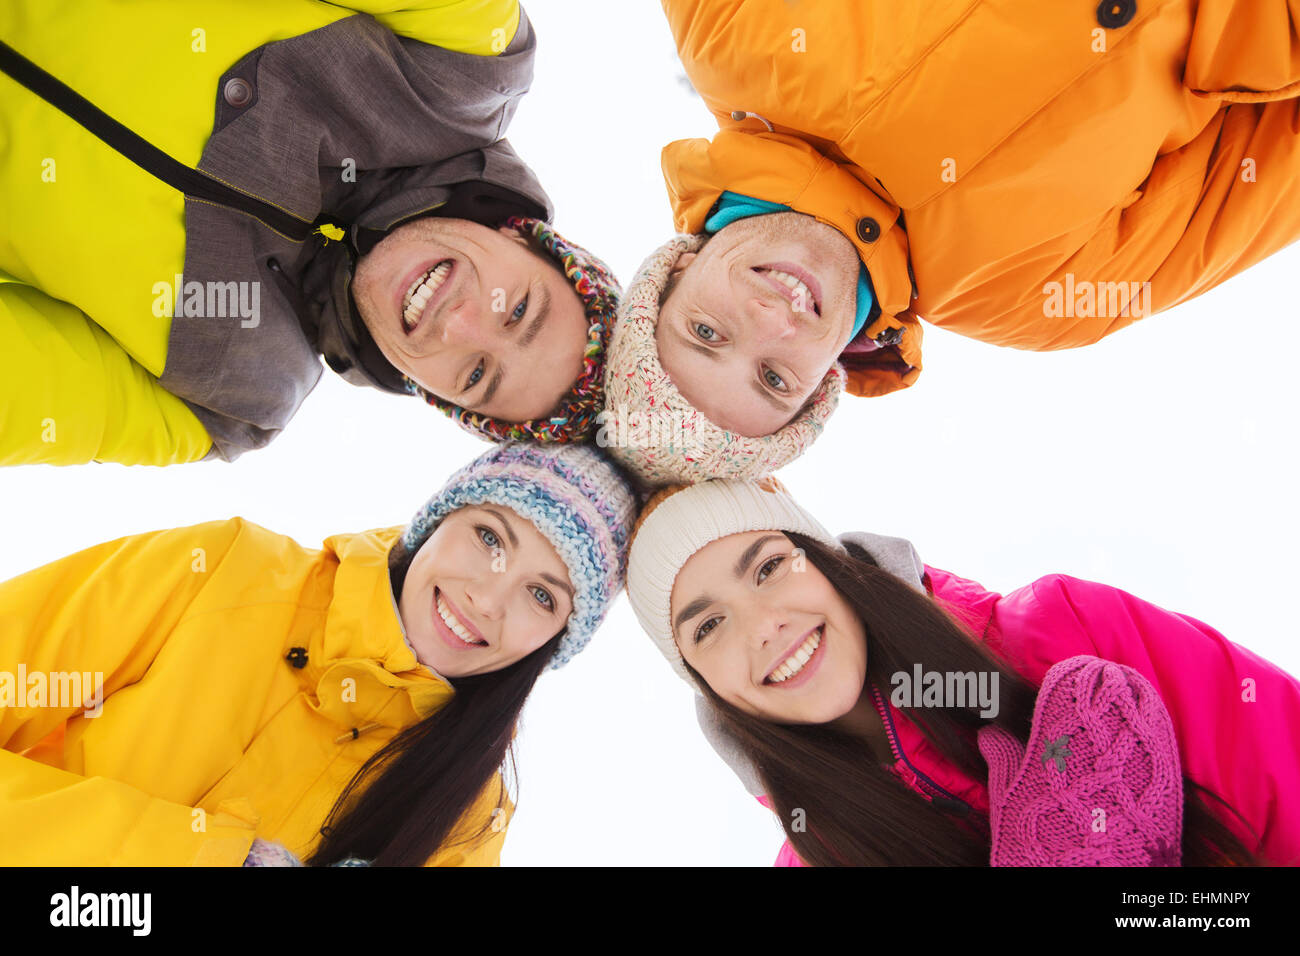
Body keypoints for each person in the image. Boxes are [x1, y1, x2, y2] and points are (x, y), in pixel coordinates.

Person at [602, 0, 1300, 484]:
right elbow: (1276, 166)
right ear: (824, 386)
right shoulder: (1030, 298)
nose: (773, 322)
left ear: (678, 267)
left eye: (706, 330)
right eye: (775, 379)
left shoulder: (727, 34)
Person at [0, 0, 620, 467]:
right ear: (524, 238)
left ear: (436, 397)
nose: (458, 324)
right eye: (516, 309)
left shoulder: (227, 396)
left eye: (477, 376)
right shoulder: (464, 61)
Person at [0, 443, 636, 865]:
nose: (488, 597)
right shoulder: (228, 572)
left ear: (555, 642)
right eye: (489, 536)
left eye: (542, 596)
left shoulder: (469, 815)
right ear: (436, 521)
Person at [624, 478, 1300, 865]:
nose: (762, 624)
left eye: (770, 567)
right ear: (705, 687)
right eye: (707, 627)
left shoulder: (1068, 632)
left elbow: (1282, 764)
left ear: (830, 563)